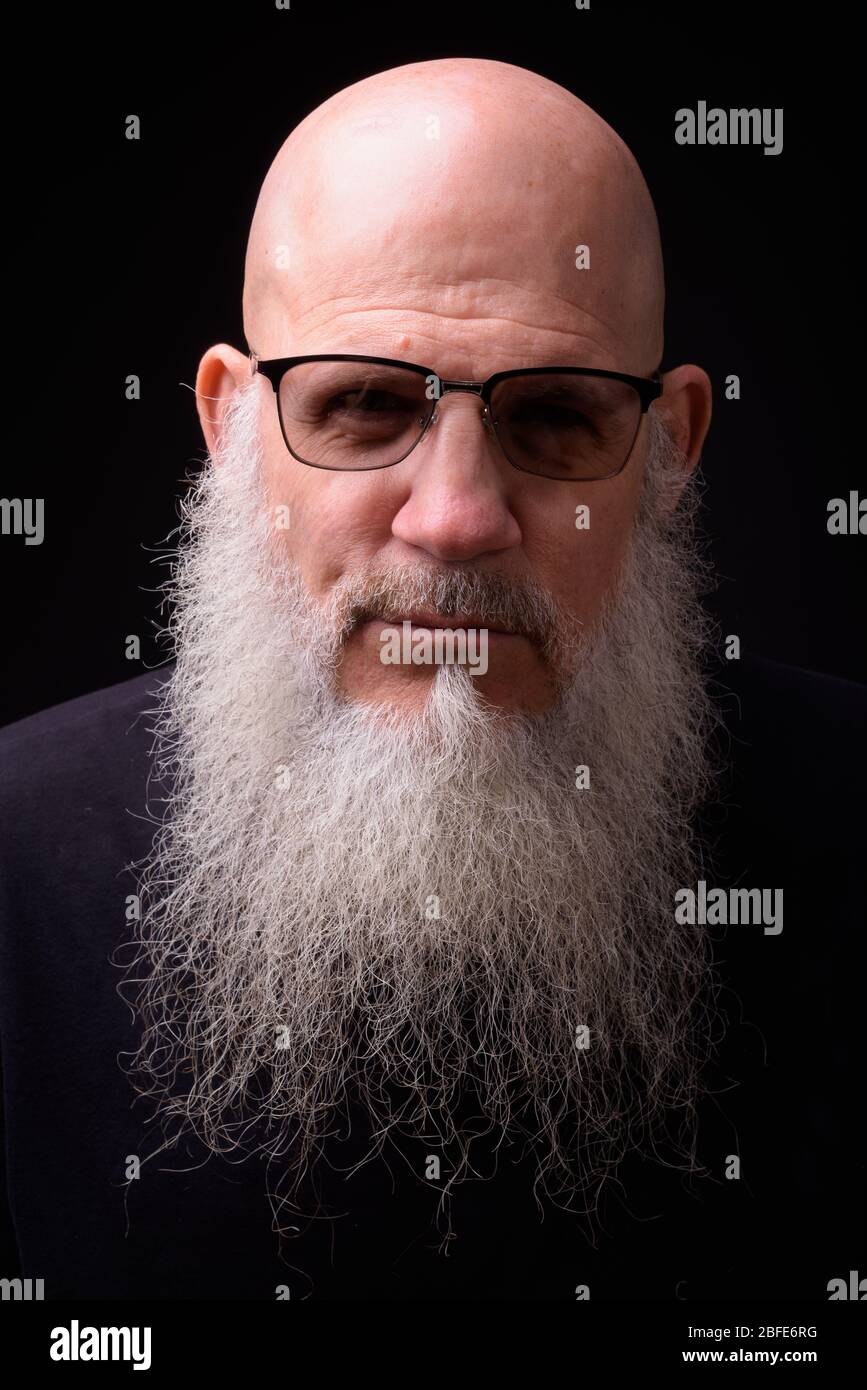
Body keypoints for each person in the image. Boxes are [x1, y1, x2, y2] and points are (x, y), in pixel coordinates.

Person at [0, 57, 862, 1301]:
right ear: (232, 426)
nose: (456, 518)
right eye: (364, 405)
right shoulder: (15, 866)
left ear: (668, 449)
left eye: (557, 417)